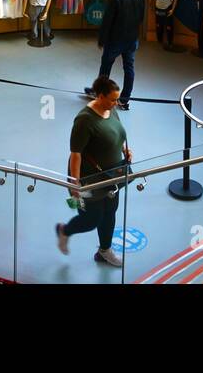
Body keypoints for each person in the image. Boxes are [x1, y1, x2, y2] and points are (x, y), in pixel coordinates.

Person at [56, 76, 133, 267]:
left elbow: (117, 132)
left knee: (110, 211)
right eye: (113, 99)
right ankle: (65, 230)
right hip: (89, 178)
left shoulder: (110, 110)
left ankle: (104, 251)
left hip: (112, 174)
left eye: (117, 99)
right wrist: (75, 182)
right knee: (91, 219)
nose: (117, 103)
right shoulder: (84, 120)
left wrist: (124, 149)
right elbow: (75, 154)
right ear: (100, 96)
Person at [88, 0, 145, 109]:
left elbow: (107, 21)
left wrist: (102, 39)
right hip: (131, 39)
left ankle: (100, 92)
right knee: (129, 68)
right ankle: (125, 99)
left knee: (106, 66)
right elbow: (141, 17)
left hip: (114, 39)